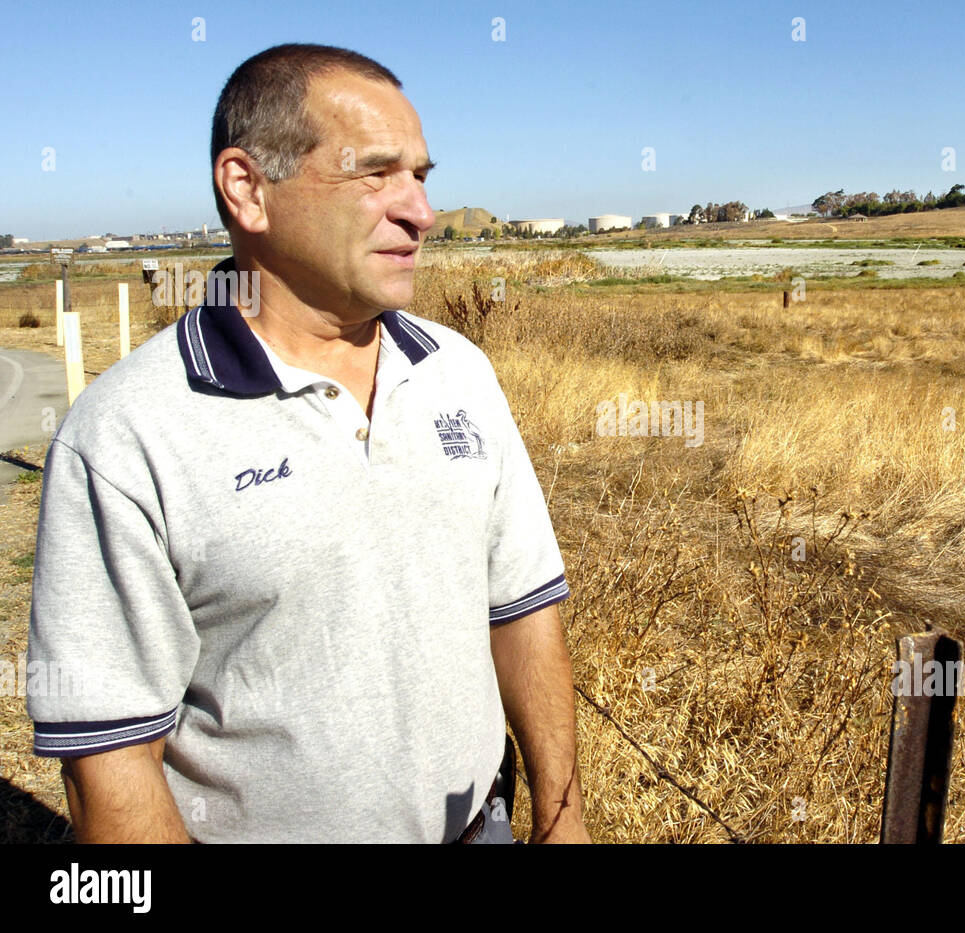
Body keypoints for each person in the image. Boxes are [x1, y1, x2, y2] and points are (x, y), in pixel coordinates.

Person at [25, 43, 590, 844]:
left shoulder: (458, 373)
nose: (420, 212)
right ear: (248, 189)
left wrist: (562, 818)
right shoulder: (127, 435)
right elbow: (110, 765)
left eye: (422, 176)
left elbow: (524, 609)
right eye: (375, 173)